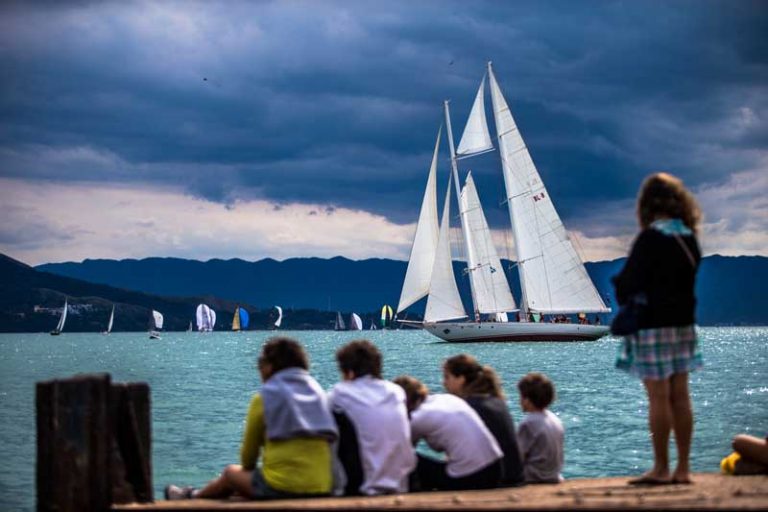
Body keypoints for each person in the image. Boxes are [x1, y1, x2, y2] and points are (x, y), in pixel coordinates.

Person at [165, 337, 337, 500]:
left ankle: (192, 496)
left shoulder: (264, 398)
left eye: (261, 364)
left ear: (270, 367)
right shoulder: (320, 395)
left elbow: (248, 459)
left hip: (281, 487)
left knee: (230, 474)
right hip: (321, 486)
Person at [613, 172, 703, 485]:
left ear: (646, 205)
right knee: (681, 395)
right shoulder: (688, 238)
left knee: (658, 398)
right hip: (684, 325)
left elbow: (629, 282)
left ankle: (661, 468)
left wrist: (621, 288)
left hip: (653, 325)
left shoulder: (650, 238)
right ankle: (684, 470)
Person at [328, 340, 415, 495]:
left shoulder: (339, 393)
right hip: (401, 485)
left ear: (349, 372)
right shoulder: (396, 392)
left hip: (362, 488)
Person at [395, 375, 503, 491]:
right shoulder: (446, 398)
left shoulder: (419, 417)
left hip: (472, 478)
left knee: (408, 459)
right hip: (496, 468)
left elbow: (402, 450)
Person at [443, 354, 524, 486]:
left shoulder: (468, 407)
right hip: (512, 476)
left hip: (493, 480)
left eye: (447, 377)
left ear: (461, 379)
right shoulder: (496, 402)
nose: (444, 383)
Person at [516, 372, 564, 484]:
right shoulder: (555, 420)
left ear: (527, 400)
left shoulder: (528, 423)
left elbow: (518, 457)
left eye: (521, 396)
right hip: (554, 476)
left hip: (533, 477)